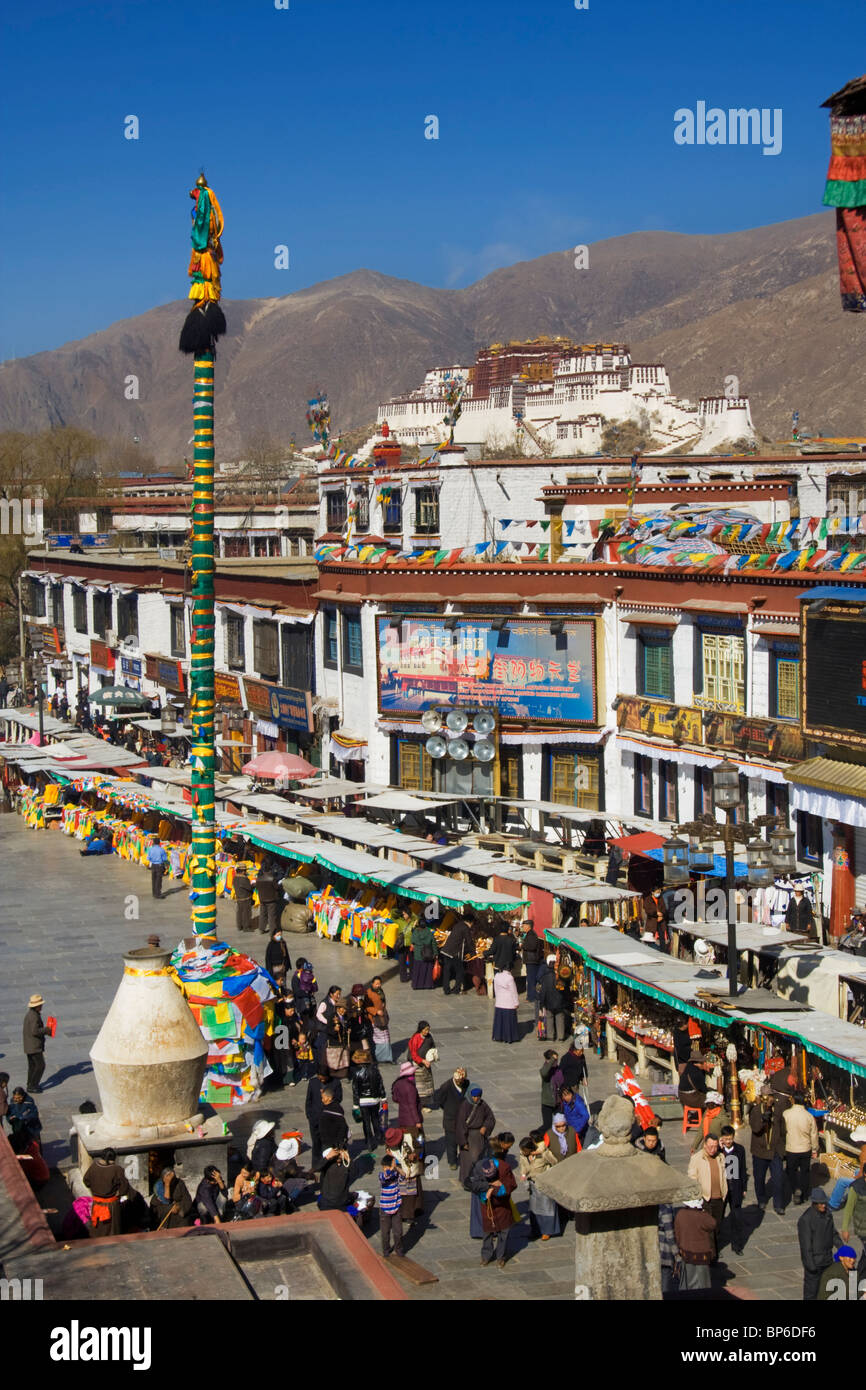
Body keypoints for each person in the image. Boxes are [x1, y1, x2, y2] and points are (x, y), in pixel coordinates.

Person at [468, 1155, 517, 1268]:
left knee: (503, 1233)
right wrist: (488, 1187)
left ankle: (501, 1257)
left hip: (502, 1206)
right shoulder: (478, 1168)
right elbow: (473, 1185)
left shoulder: (504, 1168)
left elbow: (511, 1186)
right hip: (487, 1206)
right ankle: (486, 1256)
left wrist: (493, 1191)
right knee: (487, 1233)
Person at [750, 1084, 789, 1216]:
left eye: (771, 1096)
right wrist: (763, 1119)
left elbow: (783, 1130)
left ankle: (779, 1204)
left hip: (774, 1151)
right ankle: (761, 1199)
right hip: (760, 1151)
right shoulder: (755, 1110)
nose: (769, 1100)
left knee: (778, 1179)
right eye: (766, 1097)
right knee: (759, 1178)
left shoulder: (778, 1111)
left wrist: (782, 1148)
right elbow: (755, 1129)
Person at [798, 1187, 841, 1300]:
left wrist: (841, 1248)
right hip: (815, 1264)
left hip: (827, 1261)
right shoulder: (806, 1220)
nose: (824, 1205)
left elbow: (833, 1233)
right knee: (811, 1294)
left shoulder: (828, 1215)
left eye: (824, 1203)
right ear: (814, 1203)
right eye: (821, 1203)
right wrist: (810, 1266)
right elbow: (806, 1246)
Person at [688, 1134, 728, 1247]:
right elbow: (692, 1178)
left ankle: (714, 1248)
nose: (713, 1149)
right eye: (710, 1146)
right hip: (705, 1198)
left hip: (719, 1198)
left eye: (715, 1146)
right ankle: (710, 1253)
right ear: (705, 1145)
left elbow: (724, 1175)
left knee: (717, 1226)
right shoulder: (697, 1158)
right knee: (708, 1227)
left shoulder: (721, 1156)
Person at [518, 1133, 560, 1240]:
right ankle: (535, 1230)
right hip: (533, 1184)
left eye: (524, 1150)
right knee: (534, 1208)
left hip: (544, 1183)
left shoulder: (543, 1153)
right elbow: (523, 1165)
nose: (522, 1152)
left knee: (547, 1207)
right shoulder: (523, 1155)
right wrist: (523, 1174)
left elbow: (555, 1162)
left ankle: (547, 1231)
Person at [83, 1148, 132, 1236]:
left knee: (98, 1229)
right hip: (111, 1206)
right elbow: (124, 1187)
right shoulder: (116, 1169)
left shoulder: (93, 1166)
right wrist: (119, 1193)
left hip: (97, 1203)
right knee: (112, 1231)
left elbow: (86, 1181)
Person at [783, 1093, 819, 1206]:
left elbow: (782, 1132)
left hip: (791, 1148)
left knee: (791, 1171)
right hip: (805, 1148)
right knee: (805, 1172)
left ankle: (795, 1189)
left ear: (793, 1100)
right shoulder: (809, 1116)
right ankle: (803, 1194)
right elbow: (814, 1134)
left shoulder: (786, 1114)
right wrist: (815, 1149)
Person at [674, 1198, 717, 1291]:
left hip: (686, 1253)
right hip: (701, 1255)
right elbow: (713, 1223)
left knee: (689, 1281)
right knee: (702, 1282)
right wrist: (704, 1212)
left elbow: (677, 1234)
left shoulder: (680, 1214)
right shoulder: (702, 1216)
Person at [719, 1124, 748, 1256]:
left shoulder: (740, 1150)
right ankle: (717, 1246)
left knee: (736, 1217)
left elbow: (743, 1169)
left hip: (735, 1187)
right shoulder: (718, 1150)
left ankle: (737, 1245)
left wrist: (744, 1188)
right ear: (722, 1139)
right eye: (726, 1139)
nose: (728, 1141)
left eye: (730, 1138)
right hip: (722, 1187)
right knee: (719, 1217)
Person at [456, 1086, 495, 1183]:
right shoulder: (464, 1106)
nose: (476, 1098)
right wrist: (463, 1141)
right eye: (474, 1096)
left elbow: (490, 1118)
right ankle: (466, 1181)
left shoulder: (483, 1105)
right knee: (468, 1161)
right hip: (468, 1136)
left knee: (479, 1158)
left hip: (479, 1136)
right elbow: (460, 1125)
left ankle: (478, 1179)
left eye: (478, 1096)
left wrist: (485, 1126)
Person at [350, 1048, 386, 1151]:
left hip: (363, 1101)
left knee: (366, 1122)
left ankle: (369, 1142)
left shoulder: (357, 1073)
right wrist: (383, 1097)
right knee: (375, 1118)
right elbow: (380, 1085)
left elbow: (355, 1090)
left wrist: (355, 1104)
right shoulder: (375, 1070)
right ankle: (379, 1137)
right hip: (374, 1099)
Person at [434, 1067, 470, 1170]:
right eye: (459, 1081)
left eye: (462, 1081)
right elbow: (438, 1099)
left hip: (463, 1118)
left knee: (464, 1139)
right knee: (451, 1142)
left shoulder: (466, 1083)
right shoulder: (446, 1086)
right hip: (450, 1119)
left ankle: (464, 1158)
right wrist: (447, 1108)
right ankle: (452, 1161)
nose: (460, 1082)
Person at [305, 1070, 342, 1168]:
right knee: (316, 1143)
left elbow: (339, 1099)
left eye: (322, 1077)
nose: (320, 1079)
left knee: (328, 1143)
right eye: (319, 1076)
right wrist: (309, 1115)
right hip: (315, 1119)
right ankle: (316, 1165)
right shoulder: (313, 1082)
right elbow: (309, 1100)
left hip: (329, 1120)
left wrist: (329, 1098)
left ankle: (327, 1163)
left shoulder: (335, 1083)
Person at [539, 955, 571, 1042]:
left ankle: (550, 1036)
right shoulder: (561, 976)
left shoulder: (545, 977)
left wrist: (542, 1003)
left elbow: (543, 991)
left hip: (549, 1001)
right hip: (560, 1001)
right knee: (560, 1018)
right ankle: (561, 1036)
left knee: (549, 1018)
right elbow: (565, 990)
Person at [439, 915, 474, 996]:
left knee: (447, 970)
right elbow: (469, 941)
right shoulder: (465, 928)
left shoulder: (458, 924)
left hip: (446, 950)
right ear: (471, 922)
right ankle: (457, 989)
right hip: (454, 952)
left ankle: (446, 989)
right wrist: (473, 951)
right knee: (460, 971)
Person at [378, 1153, 404, 1258]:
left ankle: (399, 1249)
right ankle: (386, 1249)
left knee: (398, 1232)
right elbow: (385, 1176)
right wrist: (391, 1168)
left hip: (396, 1206)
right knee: (385, 1232)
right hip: (385, 1209)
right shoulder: (382, 1175)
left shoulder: (395, 1174)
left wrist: (396, 1168)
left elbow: (404, 1175)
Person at [840, 1168, 866, 1271]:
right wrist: (845, 1229)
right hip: (863, 1227)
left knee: (864, 1257)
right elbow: (848, 1209)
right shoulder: (856, 1188)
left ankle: (856, 1278)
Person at [408, 1021, 437, 1112]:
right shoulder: (416, 1038)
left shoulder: (429, 1037)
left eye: (428, 1030)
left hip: (426, 1064)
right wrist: (422, 1061)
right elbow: (413, 1054)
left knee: (426, 1085)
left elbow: (433, 1047)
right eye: (425, 1030)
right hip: (418, 1065)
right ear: (421, 1029)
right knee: (419, 1086)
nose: (427, 1032)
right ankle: (417, 1105)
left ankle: (424, 1105)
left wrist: (432, 1056)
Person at [23, 993, 49, 1093]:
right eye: (40, 1005)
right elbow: (35, 1031)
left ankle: (30, 1083)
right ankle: (33, 1085)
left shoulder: (30, 1014)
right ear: (37, 1006)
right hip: (34, 1046)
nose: (41, 1006)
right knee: (40, 1065)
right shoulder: (34, 1016)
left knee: (32, 1065)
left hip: (29, 1045)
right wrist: (46, 1030)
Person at [391, 1061, 423, 1140]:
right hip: (411, 1121)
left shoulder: (398, 1083)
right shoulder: (410, 1087)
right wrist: (417, 1121)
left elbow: (395, 1098)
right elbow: (412, 1106)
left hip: (402, 1118)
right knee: (418, 1142)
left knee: (405, 1140)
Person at [366, 977, 392, 1065]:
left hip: (382, 1019)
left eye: (379, 983)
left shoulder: (380, 991)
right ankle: (378, 1057)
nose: (378, 985)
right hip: (374, 1019)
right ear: (372, 983)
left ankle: (387, 1057)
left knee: (386, 1038)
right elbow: (367, 1007)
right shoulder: (368, 993)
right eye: (376, 984)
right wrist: (376, 1011)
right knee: (378, 1039)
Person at [492, 968, 520, 1044]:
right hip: (509, 1003)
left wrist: (498, 998)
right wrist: (516, 1002)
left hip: (499, 1002)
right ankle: (509, 1037)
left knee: (500, 1021)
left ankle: (498, 1036)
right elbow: (514, 991)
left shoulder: (497, 976)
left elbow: (495, 988)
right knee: (508, 1022)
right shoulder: (510, 978)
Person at [319, 1089, 350, 1157]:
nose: (322, 1100)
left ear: (329, 1098)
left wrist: (339, 1142)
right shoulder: (325, 1107)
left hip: (333, 1143)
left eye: (323, 1097)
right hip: (325, 1141)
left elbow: (342, 1126)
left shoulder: (336, 1109)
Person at [678, 1047, 710, 1112]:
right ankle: (708, 1118)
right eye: (703, 1062)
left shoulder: (688, 1067)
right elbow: (703, 1089)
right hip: (691, 1099)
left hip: (682, 1097)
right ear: (698, 1063)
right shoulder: (696, 1073)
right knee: (713, 1099)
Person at [410, 919, 438, 990]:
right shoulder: (430, 933)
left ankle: (417, 985)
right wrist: (435, 953)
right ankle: (427, 985)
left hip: (418, 954)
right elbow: (433, 944)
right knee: (427, 969)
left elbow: (413, 941)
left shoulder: (415, 932)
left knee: (417, 970)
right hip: (428, 953)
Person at [256, 866, 280, 935]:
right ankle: (272, 931)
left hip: (262, 899)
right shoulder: (272, 879)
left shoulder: (259, 879)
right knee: (271, 916)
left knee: (262, 914)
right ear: (270, 871)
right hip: (271, 900)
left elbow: (257, 888)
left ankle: (261, 929)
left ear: (263, 871)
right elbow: (277, 887)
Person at [539, 1051, 559, 1131]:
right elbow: (544, 1073)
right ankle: (536, 1135)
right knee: (547, 1125)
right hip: (547, 1102)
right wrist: (551, 1061)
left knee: (559, 1123)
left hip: (558, 1101)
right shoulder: (545, 1069)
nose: (556, 1062)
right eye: (554, 1060)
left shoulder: (557, 1069)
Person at [234, 868, 254, 932]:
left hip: (239, 897)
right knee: (246, 913)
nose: (245, 872)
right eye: (245, 870)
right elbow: (249, 887)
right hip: (245, 898)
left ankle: (239, 926)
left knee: (239, 912)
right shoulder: (244, 879)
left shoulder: (235, 878)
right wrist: (253, 885)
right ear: (242, 871)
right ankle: (246, 927)